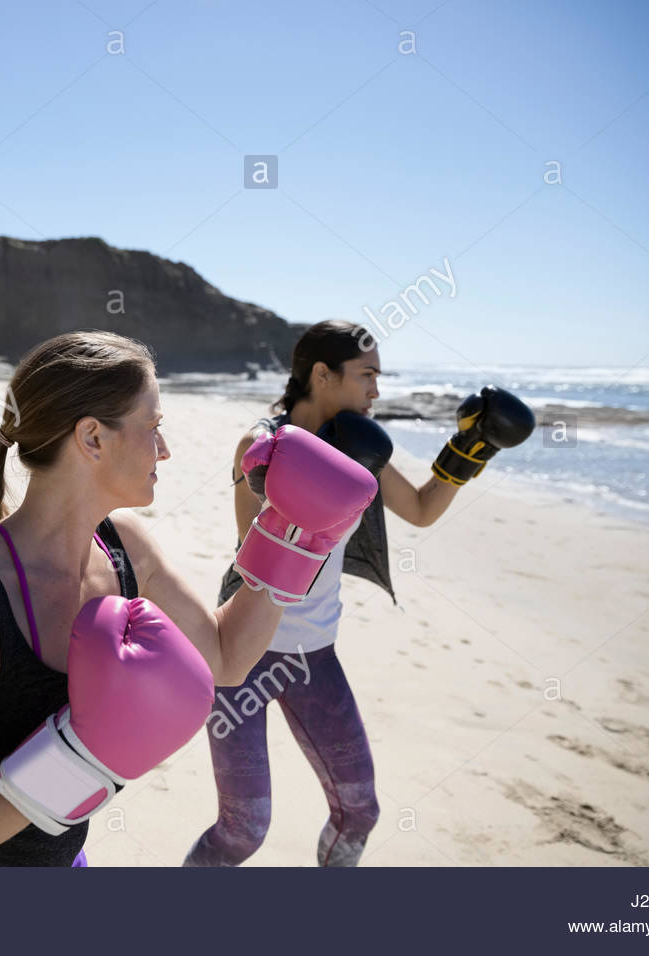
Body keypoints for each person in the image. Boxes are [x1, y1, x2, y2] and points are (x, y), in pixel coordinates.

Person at [0, 330, 379, 866]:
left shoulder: (124, 549)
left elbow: (228, 657)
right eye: (153, 427)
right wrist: (82, 759)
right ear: (92, 438)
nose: (165, 449)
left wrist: (288, 536)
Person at [183, 319, 535, 867]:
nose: (377, 390)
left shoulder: (357, 446)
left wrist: (473, 445)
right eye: (366, 375)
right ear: (322, 374)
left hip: (314, 655)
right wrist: (314, 485)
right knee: (244, 828)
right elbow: (252, 553)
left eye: (380, 377)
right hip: (241, 653)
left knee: (360, 809)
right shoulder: (262, 445)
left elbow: (420, 508)